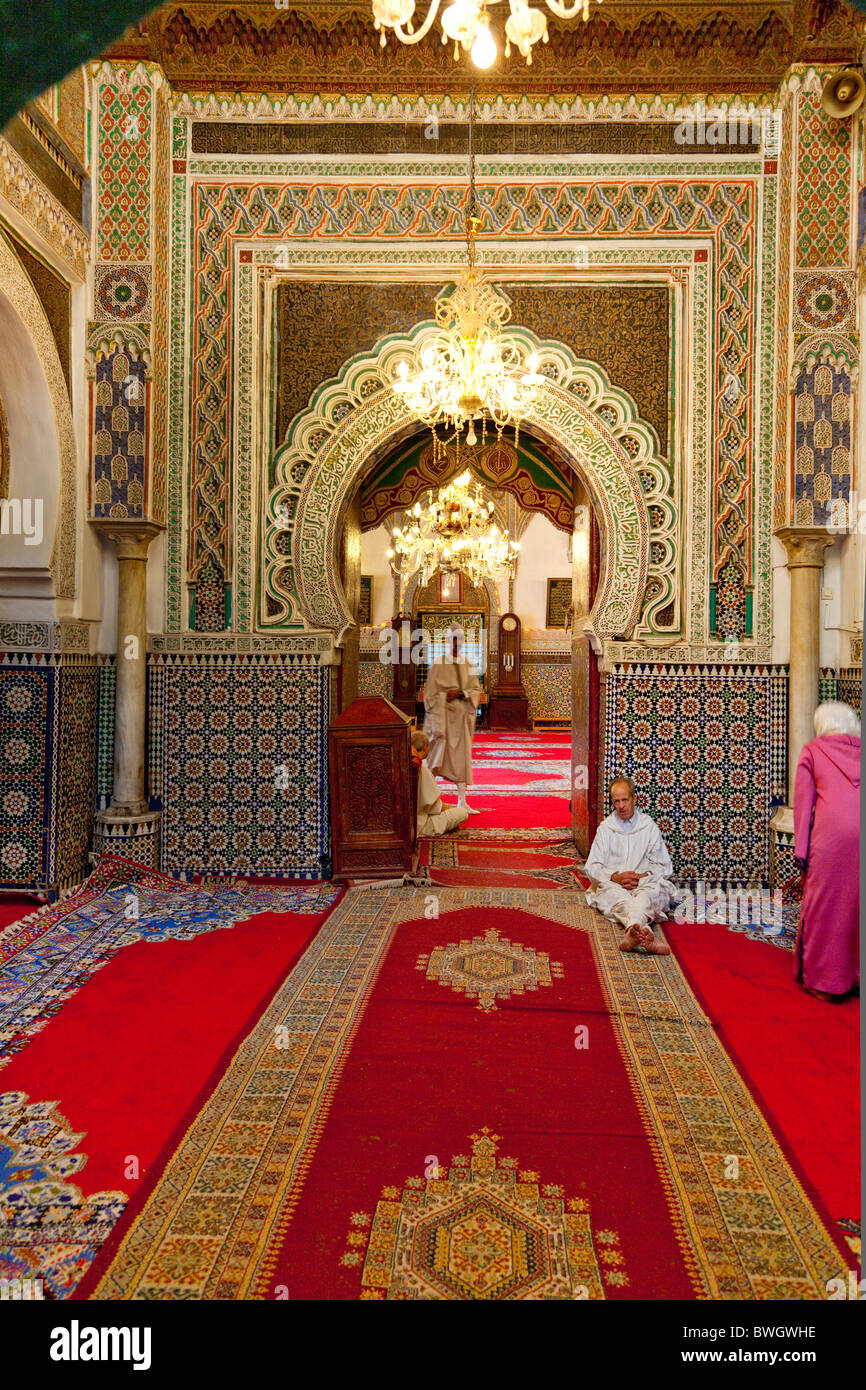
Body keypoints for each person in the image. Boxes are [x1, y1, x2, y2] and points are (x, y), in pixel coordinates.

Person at [793, 700, 860, 1002]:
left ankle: (824, 981)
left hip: (831, 841)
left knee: (824, 907)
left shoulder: (813, 750)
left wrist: (801, 852)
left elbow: (803, 807)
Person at [584, 776, 674, 955]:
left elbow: (665, 866)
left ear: (634, 799)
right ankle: (644, 932)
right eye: (616, 801)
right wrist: (615, 877)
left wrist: (640, 877)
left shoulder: (648, 826)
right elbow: (592, 866)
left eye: (625, 800)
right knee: (614, 896)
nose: (621, 806)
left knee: (649, 895)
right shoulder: (606, 828)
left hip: (644, 884)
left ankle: (632, 930)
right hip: (616, 885)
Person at [422, 623, 482, 813]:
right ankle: (430, 801)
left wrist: (461, 693)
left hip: (461, 720)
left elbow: (475, 690)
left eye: (460, 640)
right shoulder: (438, 664)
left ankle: (462, 801)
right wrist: (444, 697)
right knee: (434, 759)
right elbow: (429, 696)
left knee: (461, 760)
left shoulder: (469, 665)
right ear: (448, 642)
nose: (456, 643)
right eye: (453, 640)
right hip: (442, 720)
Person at [411, 731, 470, 836]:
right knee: (462, 813)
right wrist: (447, 809)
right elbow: (433, 807)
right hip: (419, 824)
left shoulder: (400, 760)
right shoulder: (421, 767)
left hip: (400, 822)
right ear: (425, 748)